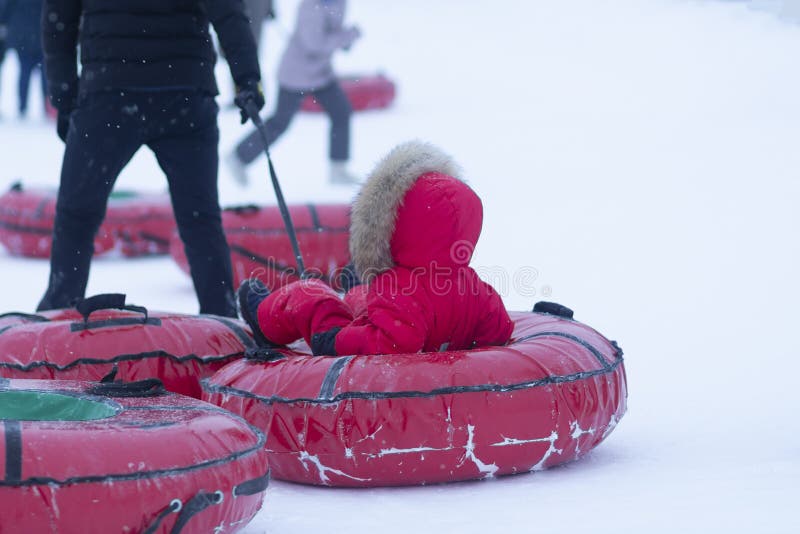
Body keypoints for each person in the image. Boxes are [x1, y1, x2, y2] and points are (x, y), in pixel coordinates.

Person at [37, 0, 265, 317]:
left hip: (109, 94)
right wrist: (247, 78)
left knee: (77, 215)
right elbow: (228, 12)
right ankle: (222, 316)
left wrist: (64, 96)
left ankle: (56, 314)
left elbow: (58, 21)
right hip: (184, 95)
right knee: (200, 220)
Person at [237, 141, 514, 355]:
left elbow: (393, 342)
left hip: (338, 343)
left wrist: (338, 339)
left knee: (312, 296)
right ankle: (356, 288)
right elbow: (498, 327)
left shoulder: (398, 286)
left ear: (397, 225)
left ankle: (265, 320)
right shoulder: (473, 286)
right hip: (401, 319)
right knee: (365, 299)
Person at [227, 0, 361, 186]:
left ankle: (338, 170)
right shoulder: (310, 7)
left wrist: (344, 40)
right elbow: (314, 44)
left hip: (321, 73)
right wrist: (346, 37)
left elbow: (332, 32)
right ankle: (238, 157)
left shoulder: (339, 3)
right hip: (295, 75)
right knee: (279, 123)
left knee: (341, 112)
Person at [0, 0, 45, 118]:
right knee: (43, 74)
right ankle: (47, 107)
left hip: (24, 38)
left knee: (25, 73)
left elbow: (6, 10)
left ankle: (23, 106)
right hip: (39, 36)